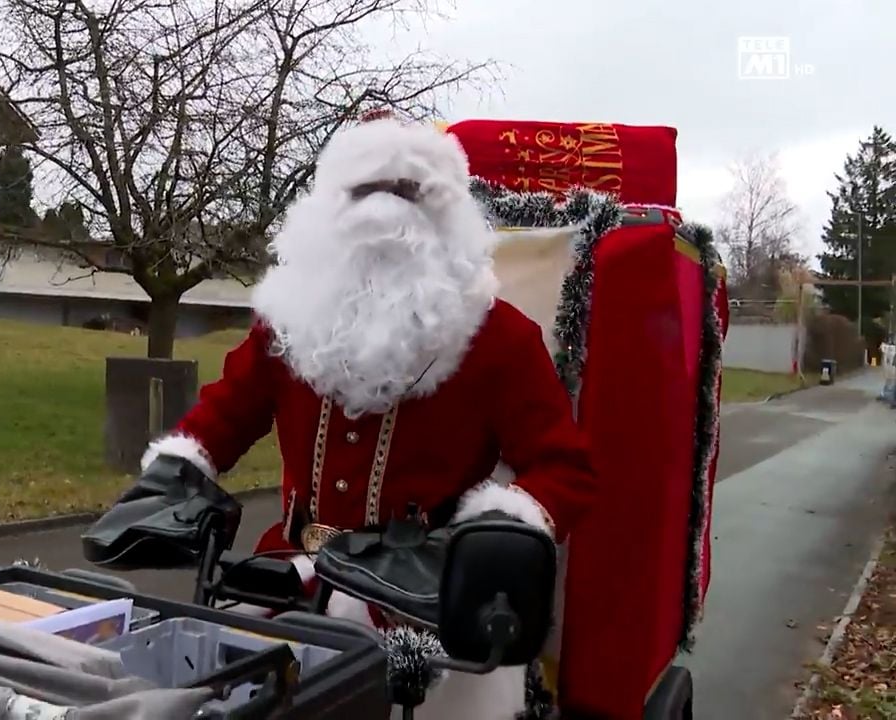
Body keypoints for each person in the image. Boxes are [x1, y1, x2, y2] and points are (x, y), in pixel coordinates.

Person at [135, 113, 598, 718]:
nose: (383, 212)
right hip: (289, 574)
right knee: (203, 690)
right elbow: (226, 413)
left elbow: (564, 467)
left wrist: (493, 538)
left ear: (445, 217)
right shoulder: (289, 321)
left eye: (405, 193)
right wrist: (174, 471)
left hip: (428, 600)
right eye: (362, 193)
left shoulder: (499, 338)